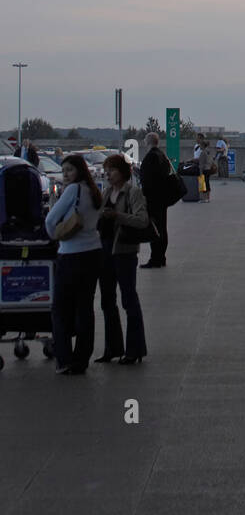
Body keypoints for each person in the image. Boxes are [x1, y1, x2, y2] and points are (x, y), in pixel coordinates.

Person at [45, 154, 103, 374]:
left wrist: (55, 235)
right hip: (93, 253)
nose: (66, 174)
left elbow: (51, 220)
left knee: (60, 308)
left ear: (79, 170)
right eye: (64, 171)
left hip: (71, 255)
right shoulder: (93, 190)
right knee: (85, 308)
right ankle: (82, 359)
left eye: (69, 170)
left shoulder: (72, 190)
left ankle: (64, 358)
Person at [95, 153, 149, 364]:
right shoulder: (107, 191)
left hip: (124, 250)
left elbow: (142, 220)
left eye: (113, 170)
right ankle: (113, 347)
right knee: (107, 300)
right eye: (107, 170)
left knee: (128, 299)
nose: (108, 174)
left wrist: (117, 216)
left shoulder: (133, 192)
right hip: (106, 249)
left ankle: (135, 349)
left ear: (123, 173)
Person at [138, 131, 171, 268]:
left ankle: (155, 258)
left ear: (148, 141)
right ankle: (161, 257)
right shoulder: (162, 155)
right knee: (162, 228)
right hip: (162, 198)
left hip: (153, 199)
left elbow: (148, 179)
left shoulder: (151, 157)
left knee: (155, 228)